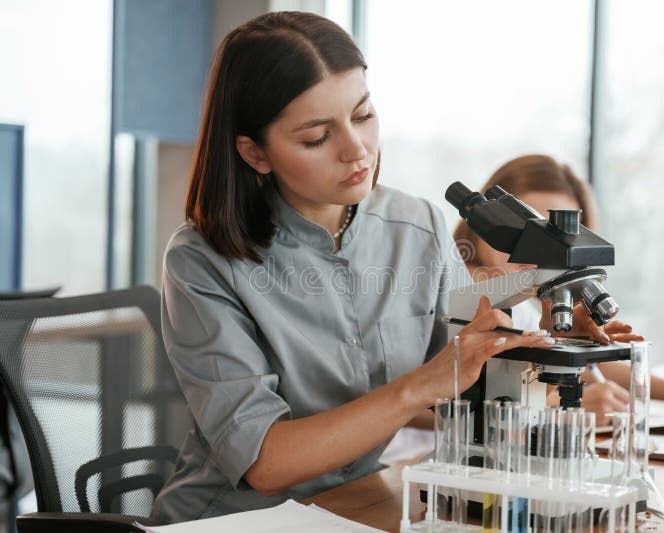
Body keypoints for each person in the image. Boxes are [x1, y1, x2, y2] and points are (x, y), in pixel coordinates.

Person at [150, 13, 618, 524]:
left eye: (363, 114)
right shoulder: (201, 259)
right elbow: (264, 461)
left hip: (354, 505)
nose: (356, 149)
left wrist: (547, 345)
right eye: (316, 137)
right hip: (231, 520)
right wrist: (420, 385)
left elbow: (467, 391)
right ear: (255, 153)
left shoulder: (418, 226)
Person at [453, 154, 664, 421]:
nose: (538, 249)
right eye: (529, 232)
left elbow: (593, 367)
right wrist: (556, 407)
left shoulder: (519, 303)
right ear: (488, 223)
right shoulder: (456, 291)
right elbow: (433, 395)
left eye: (554, 233)